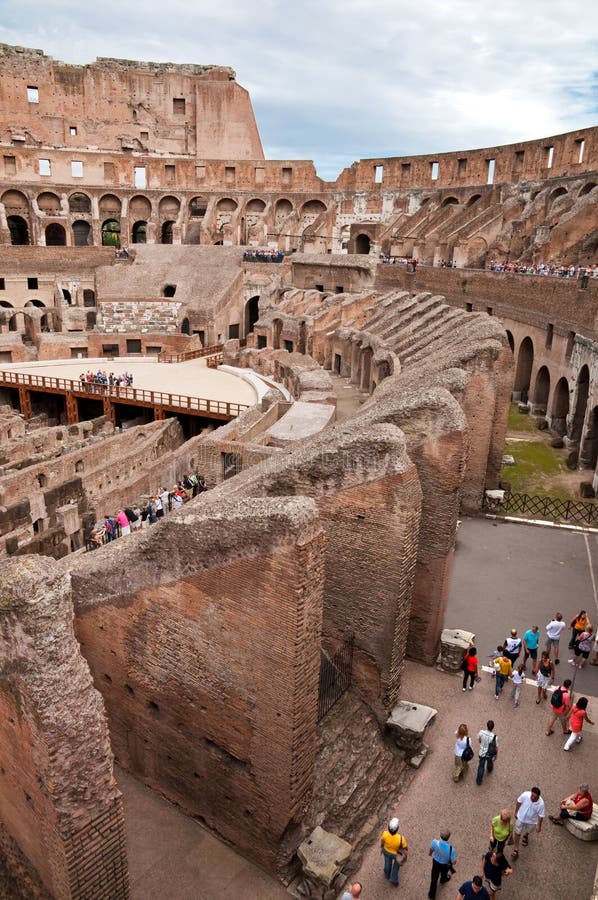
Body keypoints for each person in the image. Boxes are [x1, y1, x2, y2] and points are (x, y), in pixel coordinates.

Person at [512, 787, 544, 858]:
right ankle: (516, 849)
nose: (532, 798)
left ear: (538, 796)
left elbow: (541, 816)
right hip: (521, 817)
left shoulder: (541, 804)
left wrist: (539, 826)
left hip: (532, 821)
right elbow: (519, 802)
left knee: (529, 830)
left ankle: (526, 835)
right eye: (532, 795)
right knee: (517, 832)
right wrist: (516, 811)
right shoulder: (525, 795)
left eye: (534, 797)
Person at [428, 829, 456, 898]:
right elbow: (453, 862)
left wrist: (430, 854)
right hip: (444, 865)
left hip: (435, 862)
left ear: (440, 835)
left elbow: (431, 850)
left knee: (434, 878)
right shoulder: (451, 849)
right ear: (448, 837)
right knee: (444, 873)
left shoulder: (434, 842)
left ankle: (431, 895)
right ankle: (443, 879)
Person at [380, 816, 407, 886]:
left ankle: (387, 874)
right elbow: (405, 847)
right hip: (396, 854)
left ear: (388, 827)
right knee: (396, 866)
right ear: (397, 828)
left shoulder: (384, 834)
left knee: (387, 863)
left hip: (386, 851)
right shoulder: (401, 838)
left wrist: (382, 846)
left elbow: (382, 842)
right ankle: (393, 879)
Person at [476, 720, 497, 785]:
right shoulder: (494, 737)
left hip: (482, 753)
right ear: (493, 727)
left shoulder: (481, 732)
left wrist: (481, 742)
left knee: (481, 766)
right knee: (490, 762)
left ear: (487, 726)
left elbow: (479, 739)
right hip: (489, 754)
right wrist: (496, 755)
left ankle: (479, 781)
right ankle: (489, 769)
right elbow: (496, 747)